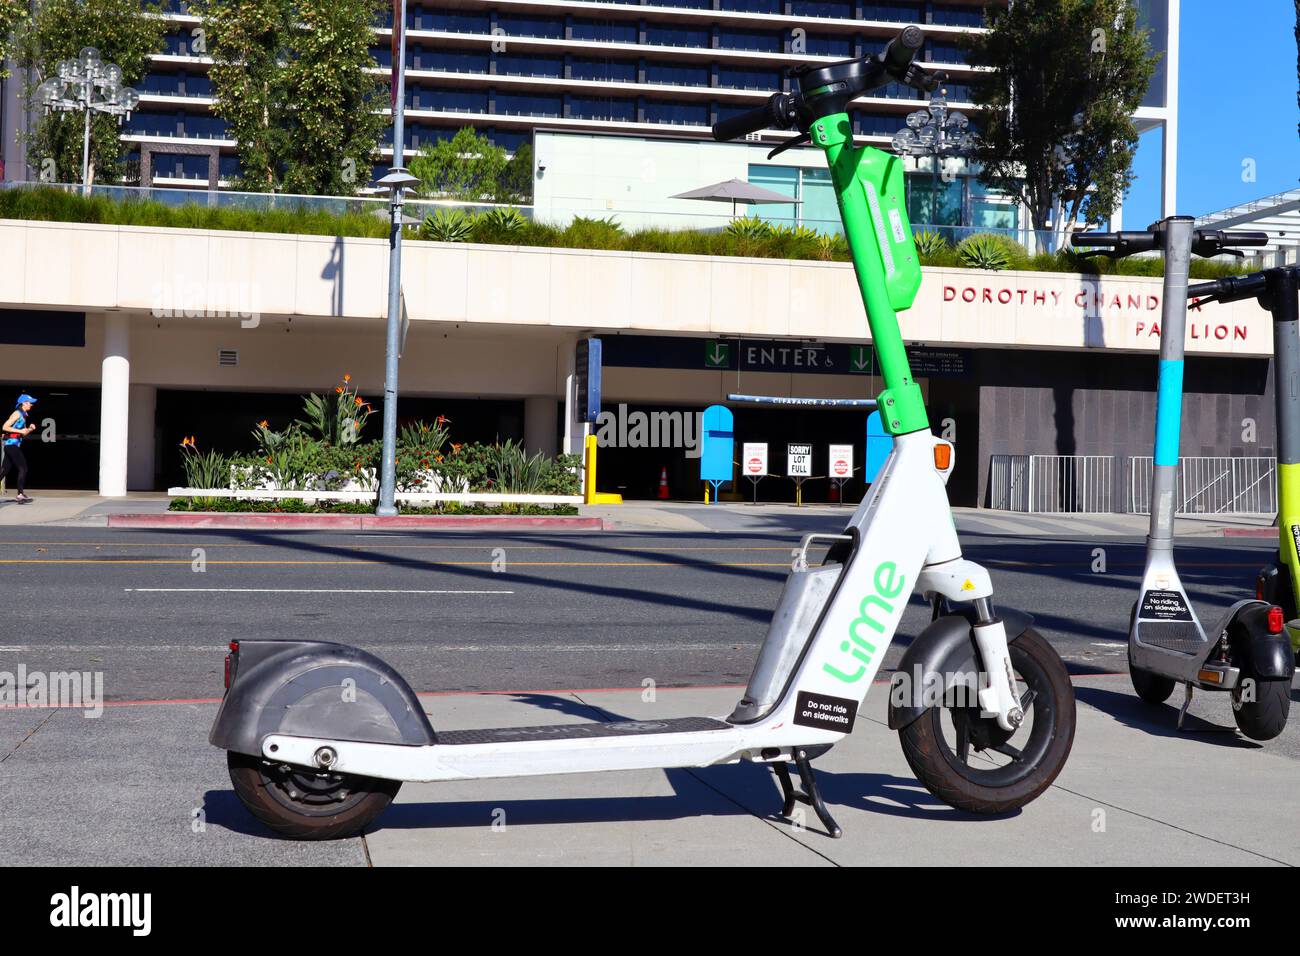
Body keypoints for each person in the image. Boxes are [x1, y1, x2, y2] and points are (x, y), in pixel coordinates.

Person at [0, 394, 38, 503]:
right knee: (23, 468)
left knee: (4, 471)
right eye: (30, 402)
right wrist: (21, 431)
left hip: (12, 445)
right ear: (24, 403)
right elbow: (5, 426)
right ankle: (20, 494)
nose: (31, 404)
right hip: (11, 445)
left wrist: (29, 429)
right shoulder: (17, 413)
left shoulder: (23, 415)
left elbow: (22, 434)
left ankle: (20, 494)